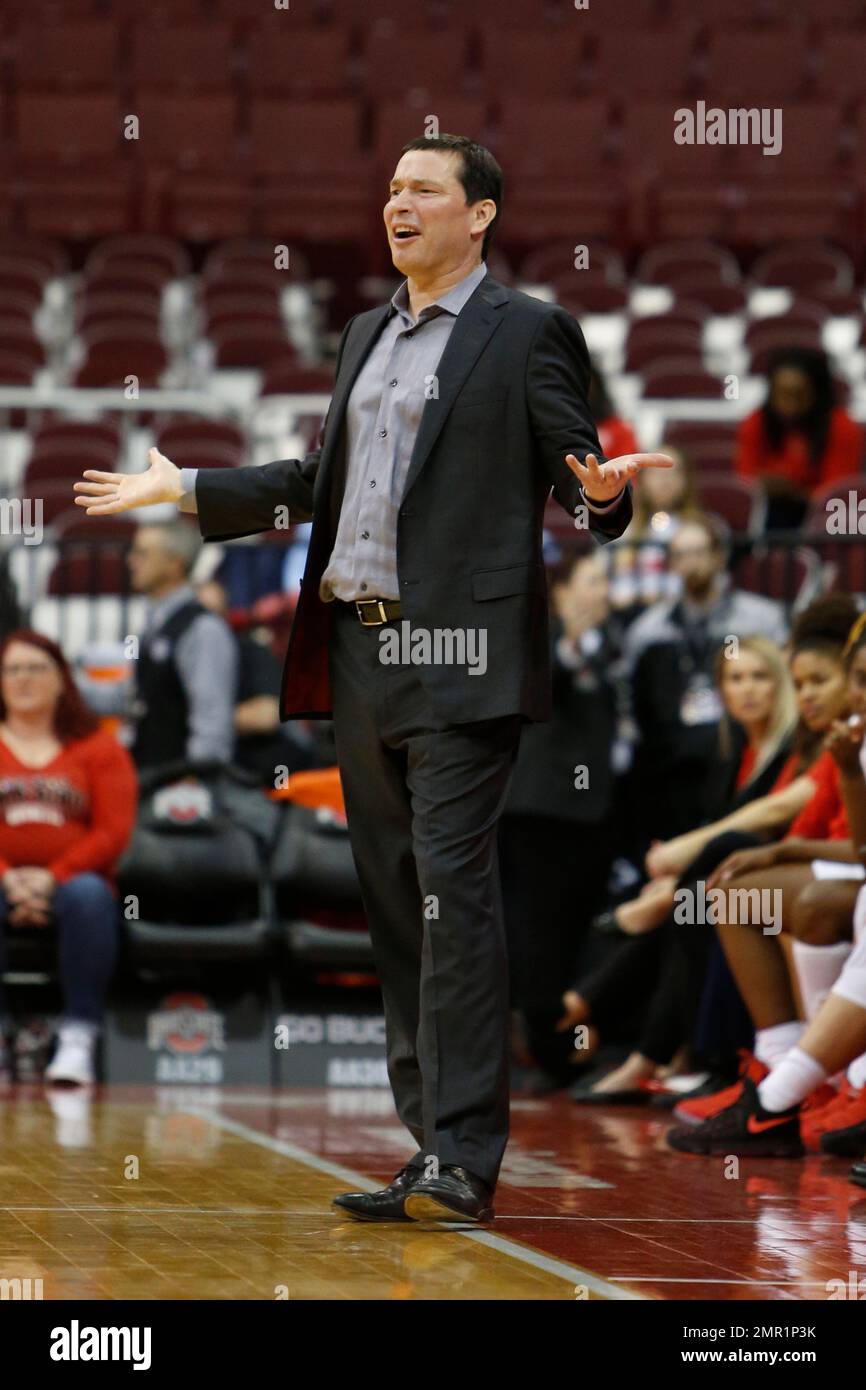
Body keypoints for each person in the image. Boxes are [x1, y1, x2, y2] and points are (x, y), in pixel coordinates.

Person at [74, 133, 673, 1224]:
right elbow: (319, 481)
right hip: (363, 650)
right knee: (397, 902)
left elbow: (580, 484)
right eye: (391, 188)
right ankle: (428, 1143)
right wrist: (188, 488)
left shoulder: (527, 329)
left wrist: (603, 499)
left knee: (450, 892)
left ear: (478, 213)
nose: (396, 204)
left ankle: (463, 1156)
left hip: (461, 657)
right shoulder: (363, 334)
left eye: (423, 190)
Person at [499, 543, 626, 1086]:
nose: (603, 593)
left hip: (593, 811)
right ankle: (539, 1047)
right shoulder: (540, 638)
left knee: (577, 929)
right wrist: (572, 638)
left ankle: (570, 1042)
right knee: (534, 933)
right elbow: (557, 677)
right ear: (566, 590)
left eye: (606, 583)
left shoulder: (615, 642)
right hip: (538, 808)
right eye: (592, 581)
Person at [0, 630, 137, 1084]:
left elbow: (113, 832)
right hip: (4, 881)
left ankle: (79, 1035)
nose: (24, 679)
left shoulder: (99, 747)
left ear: (62, 679)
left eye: (36, 668)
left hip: (73, 881)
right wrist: (8, 878)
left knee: (89, 896)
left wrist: (51, 876)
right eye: (13, 669)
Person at [625, 514, 788, 844]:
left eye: (698, 552)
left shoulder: (761, 618)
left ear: (719, 556)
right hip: (671, 766)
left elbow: (784, 684)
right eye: (681, 555)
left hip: (742, 751)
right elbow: (632, 700)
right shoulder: (649, 629)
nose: (691, 564)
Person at [127, 522, 239, 770]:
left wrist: (198, 782)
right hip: (151, 774)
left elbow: (211, 721)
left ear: (174, 563)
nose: (131, 560)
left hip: (181, 790)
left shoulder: (202, 629)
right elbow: (134, 692)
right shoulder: (152, 623)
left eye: (142, 553)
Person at [734, 346, 865, 531]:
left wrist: (793, 492)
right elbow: (744, 481)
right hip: (767, 513)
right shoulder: (755, 422)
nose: (788, 404)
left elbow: (838, 494)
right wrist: (763, 486)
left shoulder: (843, 427)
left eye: (798, 395)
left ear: (817, 393)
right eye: (781, 394)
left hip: (827, 520)